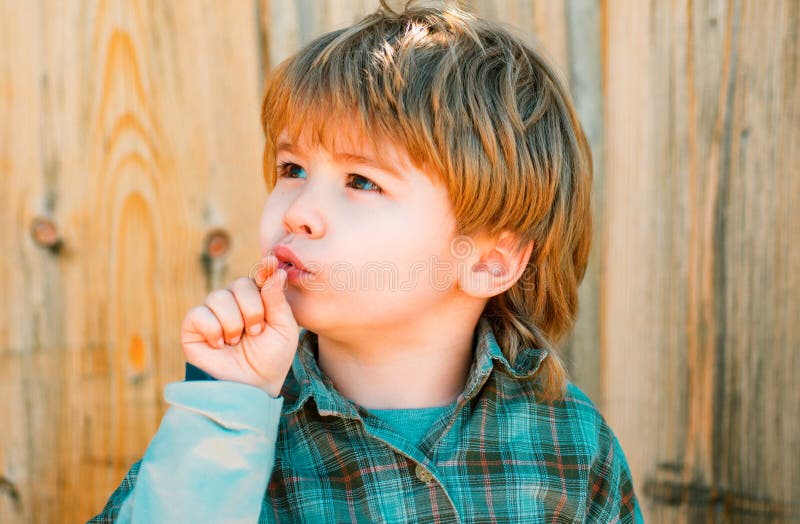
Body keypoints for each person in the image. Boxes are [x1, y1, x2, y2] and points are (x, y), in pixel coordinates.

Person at [90, 1, 644, 522]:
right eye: (292, 169)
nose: (299, 212)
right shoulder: (233, 425)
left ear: (489, 261)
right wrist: (221, 410)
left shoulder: (569, 444)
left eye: (361, 181)